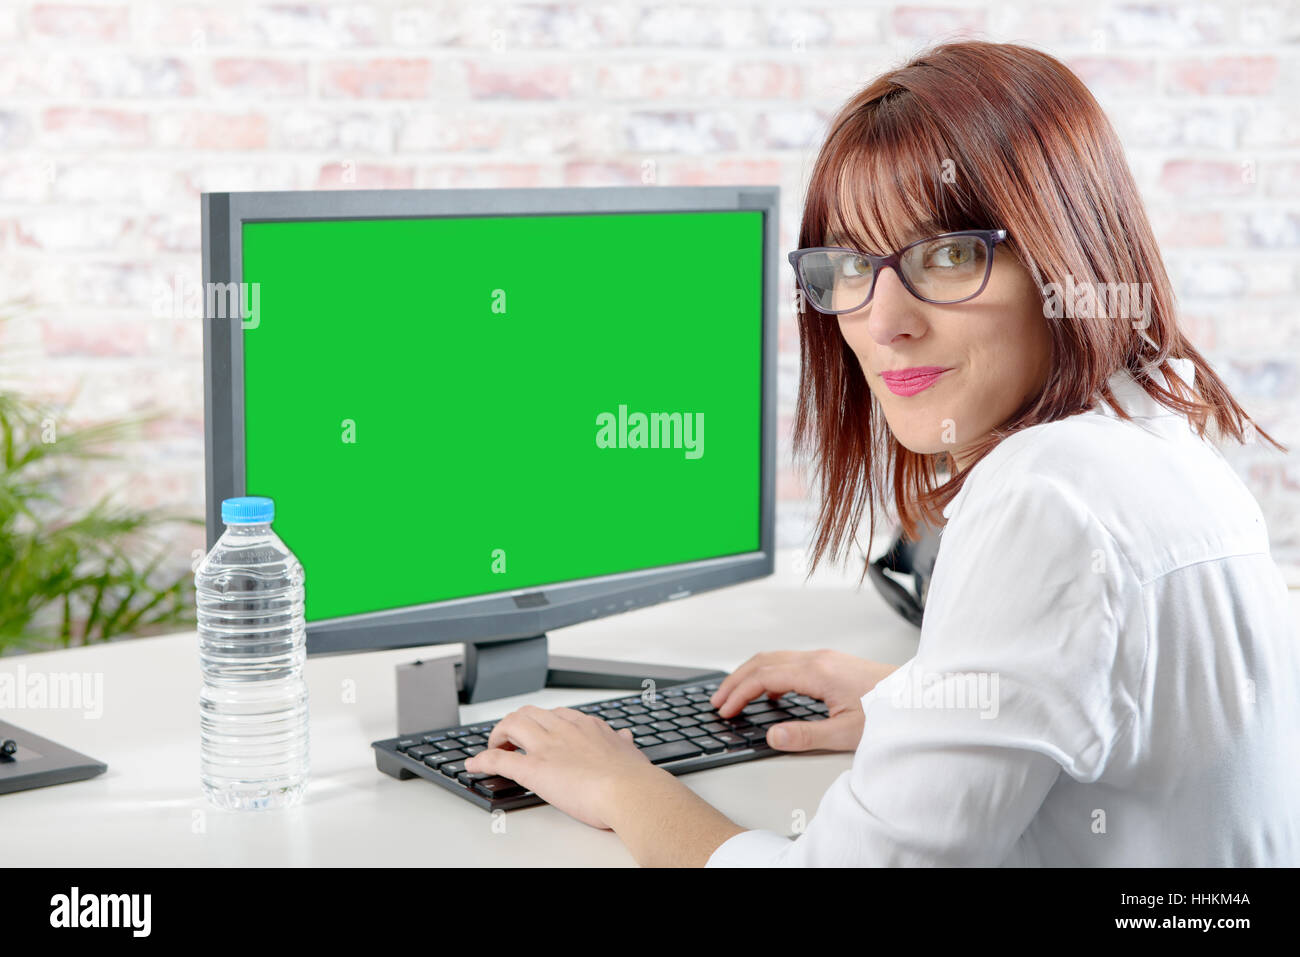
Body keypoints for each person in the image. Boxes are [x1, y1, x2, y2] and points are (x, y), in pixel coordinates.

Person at [465, 40, 1300, 866]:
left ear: (1067, 257)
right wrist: (919, 702)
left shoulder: (1046, 497)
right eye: (855, 264)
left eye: (949, 254)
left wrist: (620, 783)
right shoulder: (1157, 436)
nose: (882, 319)